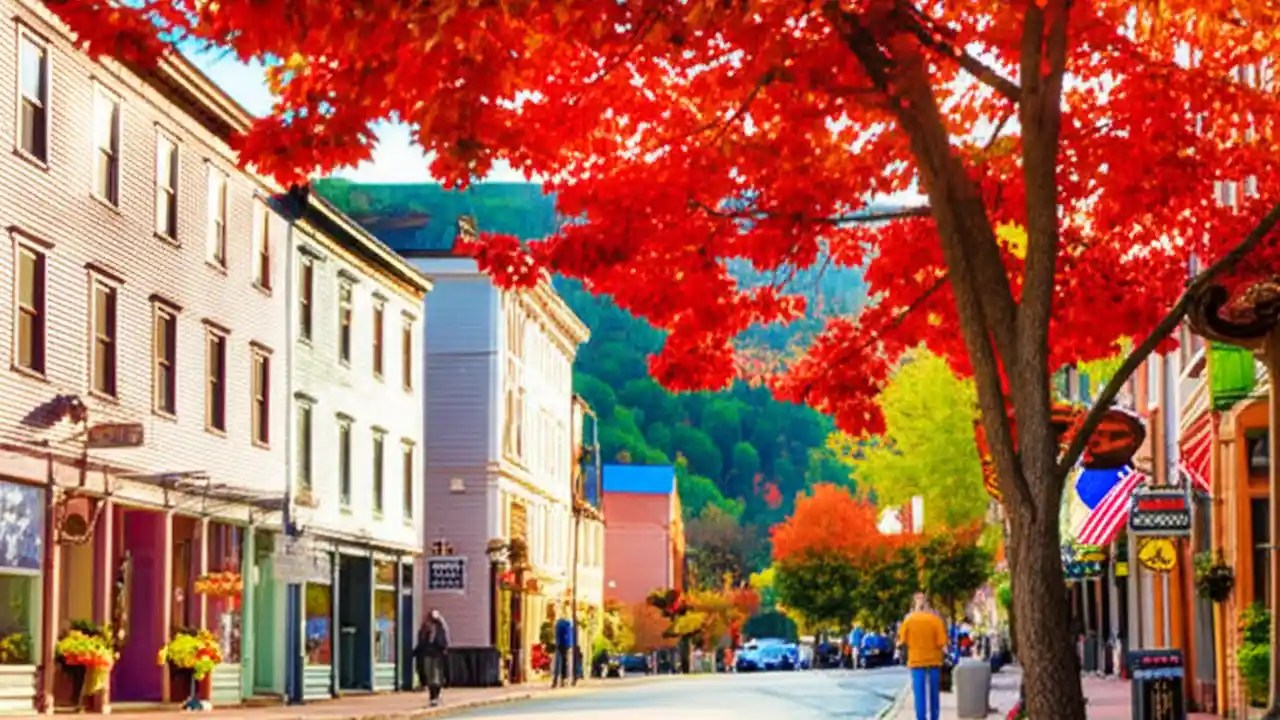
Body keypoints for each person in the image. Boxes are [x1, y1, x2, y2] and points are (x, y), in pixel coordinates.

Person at [897, 593, 948, 720]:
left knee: (919, 693)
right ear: (927, 605)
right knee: (934, 693)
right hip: (934, 660)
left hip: (916, 660)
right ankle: (934, 717)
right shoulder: (935, 620)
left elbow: (901, 641)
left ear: (913, 606)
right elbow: (942, 643)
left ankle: (921, 718)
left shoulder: (908, 621)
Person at [414, 608, 450, 707]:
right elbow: (422, 640)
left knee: (436, 677)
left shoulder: (441, 627)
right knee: (430, 677)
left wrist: (443, 650)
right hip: (428, 654)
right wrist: (418, 651)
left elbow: (444, 641)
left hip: (437, 655)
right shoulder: (425, 627)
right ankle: (432, 697)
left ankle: (436, 696)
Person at [553, 606, 574, 688]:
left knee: (559, 663)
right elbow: (568, 635)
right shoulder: (567, 623)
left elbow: (557, 633)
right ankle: (562, 680)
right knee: (565, 663)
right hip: (565, 645)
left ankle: (557, 680)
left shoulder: (560, 622)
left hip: (561, 645)